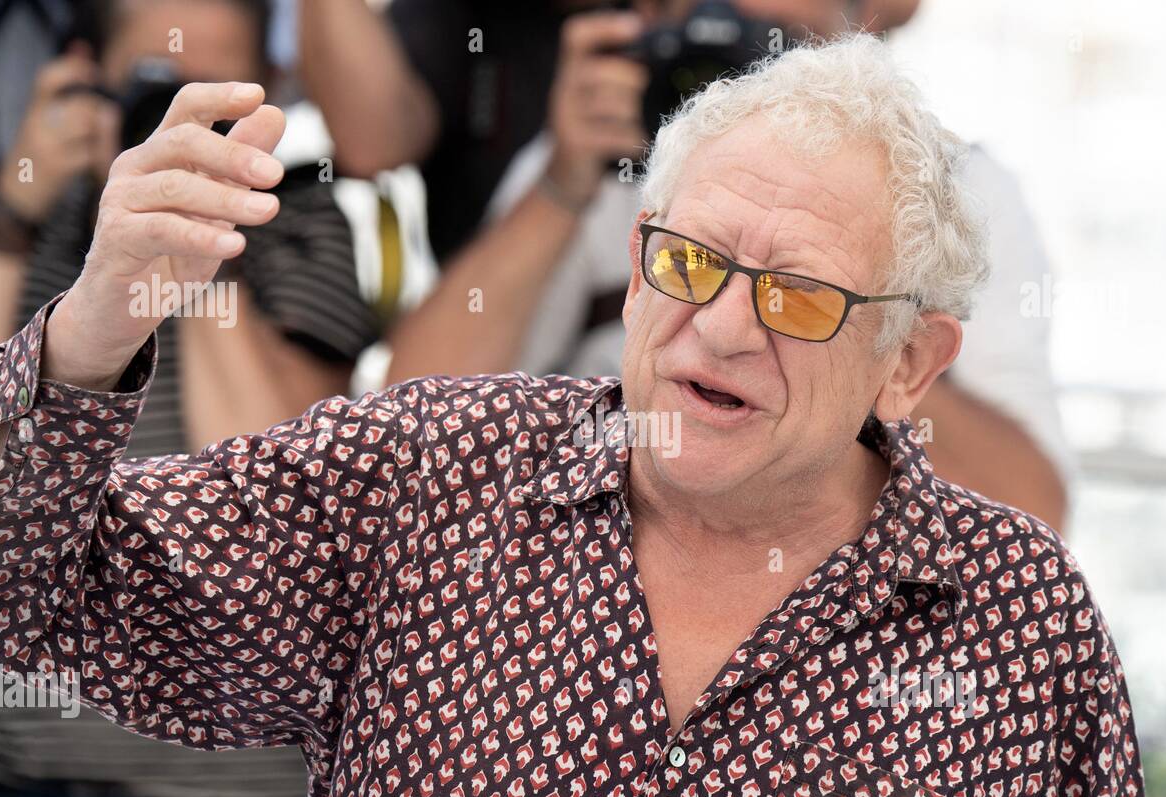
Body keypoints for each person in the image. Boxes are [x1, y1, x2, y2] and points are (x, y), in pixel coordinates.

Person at [0, 33, 1152, 797]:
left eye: (798, 295)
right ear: (640, 257)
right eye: (691, 263)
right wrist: (90, 330)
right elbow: (12, 596)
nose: (725, 325)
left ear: (908, 361)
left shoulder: (1016, 616)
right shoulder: (425, 474)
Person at [382, 0, 1072, 529]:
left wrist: (867, 323)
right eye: (687, 262)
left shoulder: (959, 194)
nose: (722, 329)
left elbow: (1028, 509)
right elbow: (406, 426)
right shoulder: (597, 166)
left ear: (866, 29)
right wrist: (563, 183)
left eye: (787, 50)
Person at [0, 0, 382, 797]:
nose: (186, 124)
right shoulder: (36, 214)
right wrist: (16, 212)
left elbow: (277, 498)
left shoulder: (304, 218)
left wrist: (200, 250)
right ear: (90, 78)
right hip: (19, 791)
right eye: (162, 91)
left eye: (221, 102)